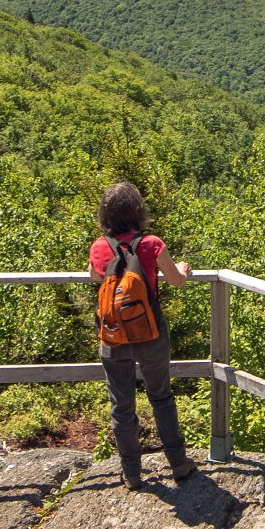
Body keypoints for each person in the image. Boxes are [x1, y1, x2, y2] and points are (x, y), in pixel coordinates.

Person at [88, 180, 196, 485]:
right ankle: (179, 464)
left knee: (121, 405)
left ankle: (132, 473)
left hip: (114, 334)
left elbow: (95, 276)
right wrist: (183, 269)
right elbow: (176, 280)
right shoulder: (151, 243)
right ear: (138, 210)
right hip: (150, 332)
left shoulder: (99, 246)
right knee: (161, 396)